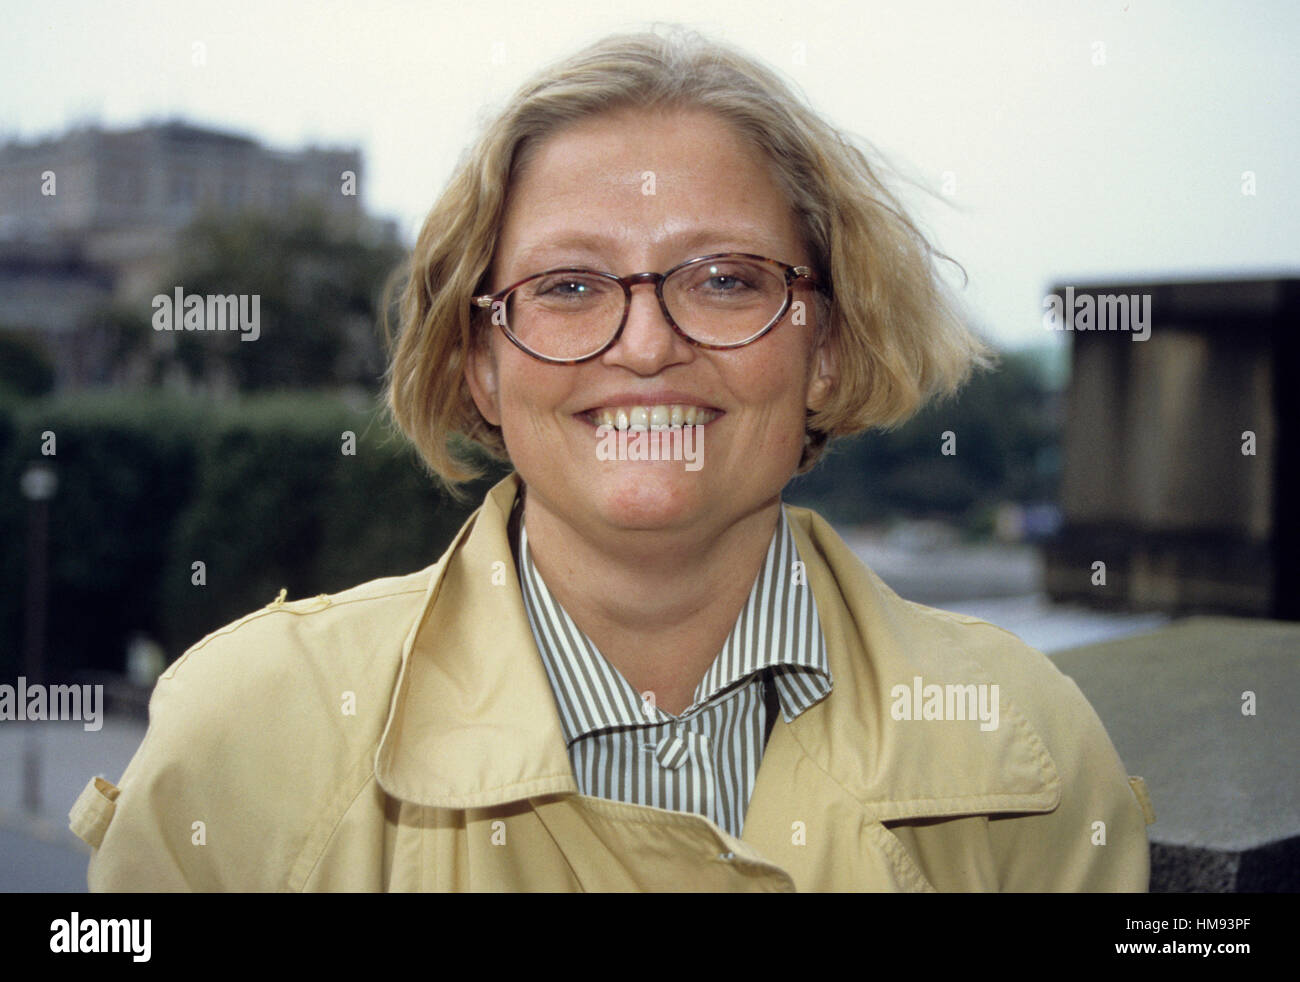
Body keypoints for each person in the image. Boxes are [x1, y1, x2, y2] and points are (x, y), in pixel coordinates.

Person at [71, 27, 1152, 891]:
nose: (645, 345)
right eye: (570, 285)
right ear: (481, 366)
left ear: (825, 350)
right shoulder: (246, 731)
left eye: (725, 278)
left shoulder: (1028, 745)